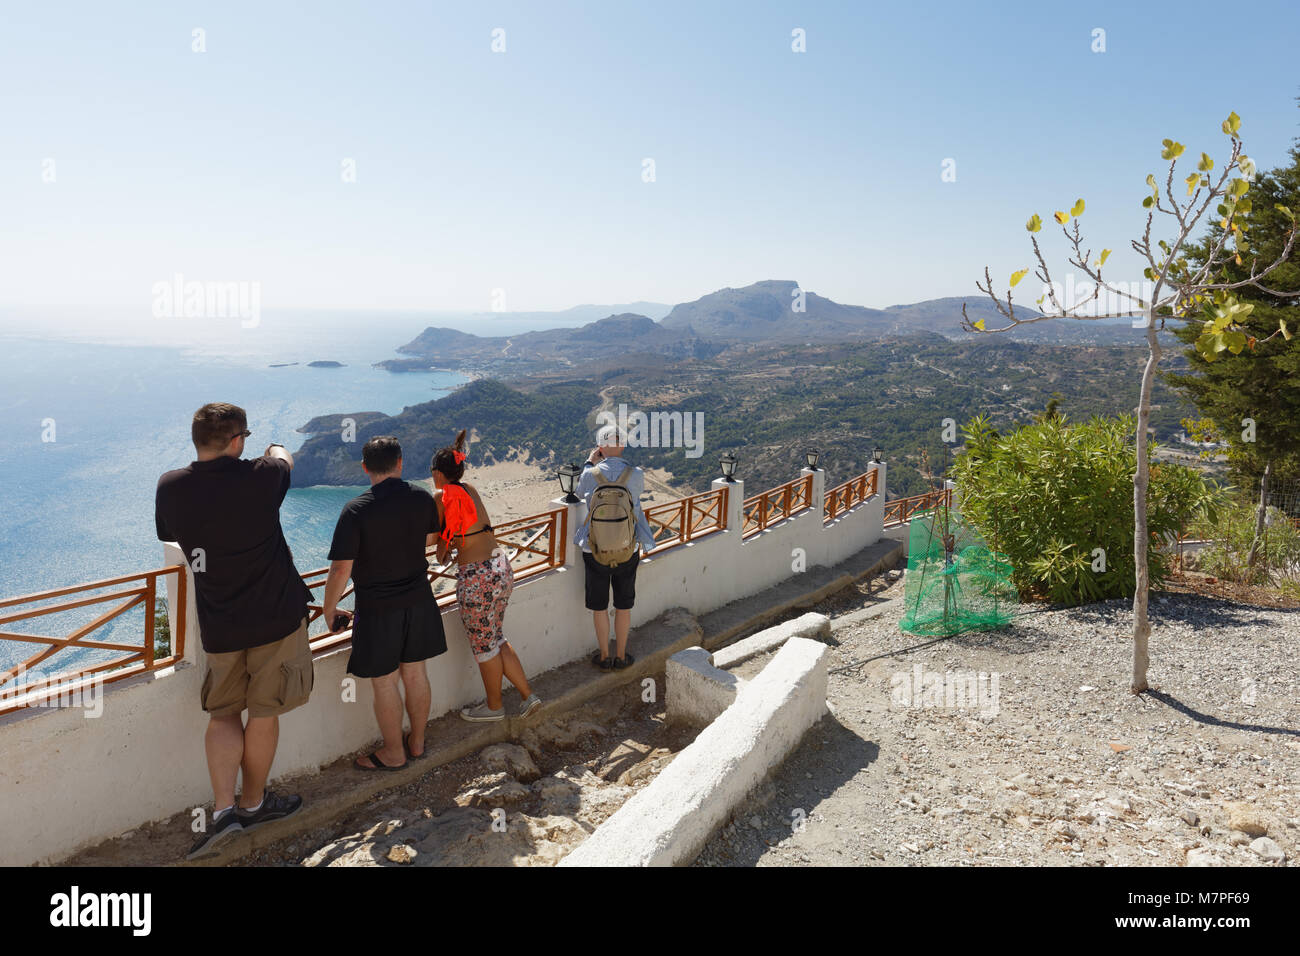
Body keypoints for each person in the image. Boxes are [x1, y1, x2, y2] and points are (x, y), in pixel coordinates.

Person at [154, 403, 314, 860]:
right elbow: (284, 457)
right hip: (276, 618)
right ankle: (254, 803)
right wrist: (273, 447)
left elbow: (171, 533)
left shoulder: (171, 486)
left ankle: (223, 811)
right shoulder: (261, 476)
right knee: (264, 713)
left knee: (223, 713)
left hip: (220, 622)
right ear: (237, 440)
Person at [322, 436, 447, 772]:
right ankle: (417, 742)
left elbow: (340, 568)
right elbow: (430, 539)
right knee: (416, 674)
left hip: (378, 608)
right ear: (400, 463)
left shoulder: (356, 510)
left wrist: (328, 608)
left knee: (385, 683)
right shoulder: (421, 497)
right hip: (419, 598)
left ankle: (394, 753)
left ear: (365, 468)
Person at [430, 429, 541, 722]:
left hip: (477, 577)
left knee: (484, 646)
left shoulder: (440, 495)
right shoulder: (469, 489)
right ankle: (528, 696)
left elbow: (438, 538)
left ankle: (494, 708)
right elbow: (462, 527)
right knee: (496, 638)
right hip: (500, 568)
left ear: (437, 473)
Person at [575, 425, 656, 670]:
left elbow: (579, 494)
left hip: (594, 549)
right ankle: (621, 656)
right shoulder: (637, 474)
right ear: (622, 445)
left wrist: (590, 463)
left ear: (600, 447)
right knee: (623, 605)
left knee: (599, 607)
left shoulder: (590, 474)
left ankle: (603, 656)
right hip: (627, 547)